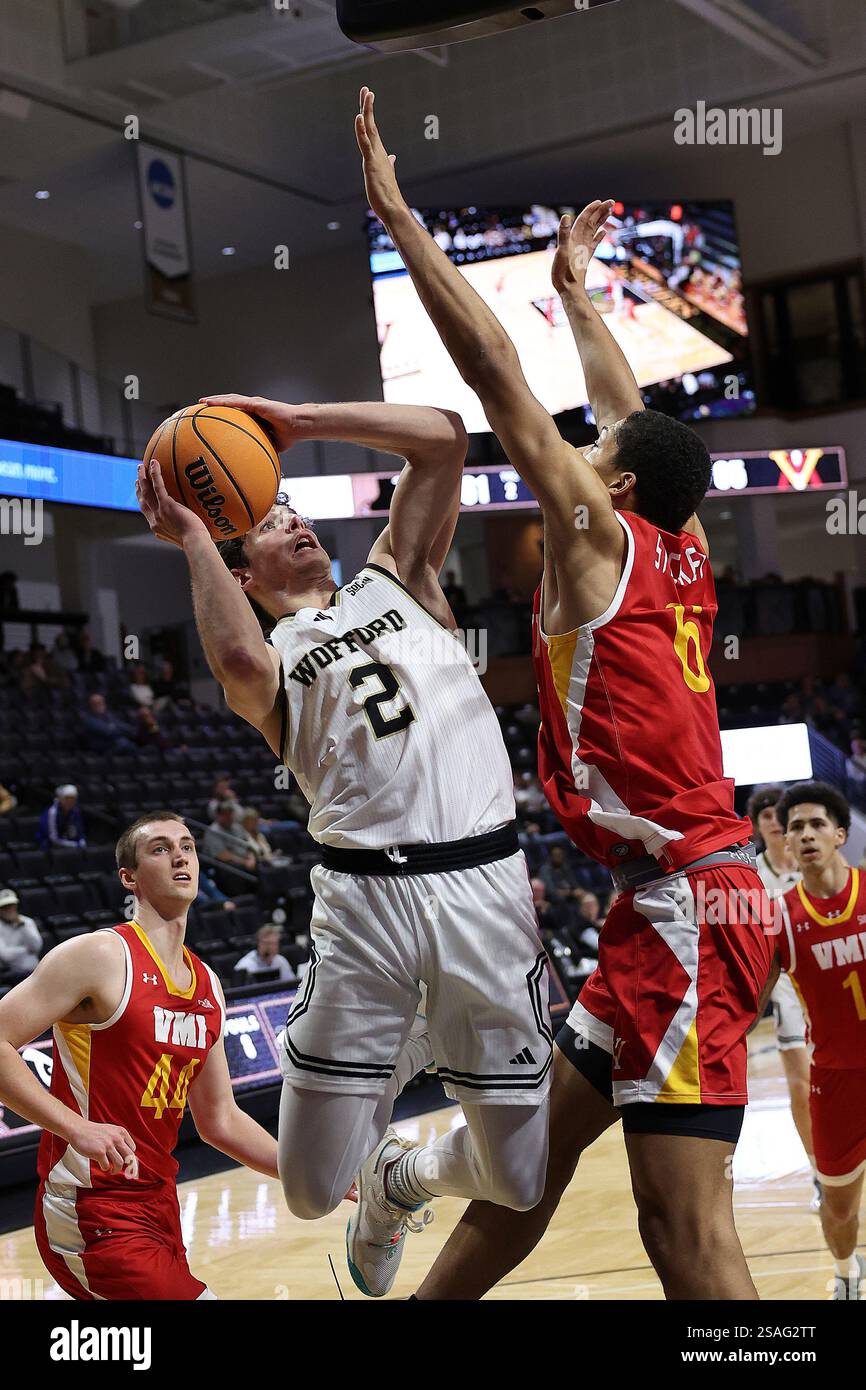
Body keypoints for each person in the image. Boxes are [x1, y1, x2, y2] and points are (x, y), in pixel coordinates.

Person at [355, 89, 774, 1300]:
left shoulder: (595, 532)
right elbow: (626, 410)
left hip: (693, 907)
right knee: (524, 1165)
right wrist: (580, 292)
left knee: (681, 1233)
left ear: (616, 488)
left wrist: (400, 221)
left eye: (590, 453)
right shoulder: (674, 535)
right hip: (668, 906)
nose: (573, 454)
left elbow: (494, 375)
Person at [136, 393, 552, 1302]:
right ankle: (383, 1132)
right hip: (368, 907)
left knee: (520, 1181)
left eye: (296, 510)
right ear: (242, 568)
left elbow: (446, 440)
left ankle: (403, 1178)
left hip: (484, 890)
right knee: (312, 1187)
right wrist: (196, 538)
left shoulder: (397, 576)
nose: (296, 521)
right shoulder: (273, 654)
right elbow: (238, 668)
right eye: (270, 520)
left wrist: (297, 421)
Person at [0, 813, 281, 1299]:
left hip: (159, 1203)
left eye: (188, 846)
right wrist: (77, 1127)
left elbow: (220, 1121)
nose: (180, 856)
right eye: (160, 848)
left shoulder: (208, 983)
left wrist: (307, 1175)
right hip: (92, 1205)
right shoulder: (99, 956)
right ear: (129, 878)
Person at [769, 782, 866, 1300]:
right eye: (795, 828)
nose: (805, 834)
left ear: (840, 834)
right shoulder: (780, 916)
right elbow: (747, 1002)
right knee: (838, 1205)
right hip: (836, 1081)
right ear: (786, 844)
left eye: (817, 824)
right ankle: (848, 1272)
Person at [747, 785, 814, 1197]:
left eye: (778, 814)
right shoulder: (750, 874)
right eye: (766, 815)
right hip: (786, 985)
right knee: (801, 1086)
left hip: (826, 975)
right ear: (757, 825)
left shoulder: (816, 863)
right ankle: (819, 1170)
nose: (773, 821)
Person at [203, 802, 258, 877]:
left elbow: (248, 846)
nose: (228, 817)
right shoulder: (213, 831)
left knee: (263, 867)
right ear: (218, 815)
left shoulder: (237, 827)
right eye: (225, 814)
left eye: (230, 813)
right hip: (226, 866)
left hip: (246, 861)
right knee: (235, 869)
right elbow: (222, 855)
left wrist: (252, 858)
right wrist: (244, 862)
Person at [0, 889, 42, 984]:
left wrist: (22, 926)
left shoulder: (27, 922)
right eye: (5, 907)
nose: (9, 910)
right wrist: (27, 950)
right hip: (11, 973)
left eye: (11, 906)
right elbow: (5, 956)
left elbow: (36, 947)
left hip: (34, 970)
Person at [38, 785, 86, 850]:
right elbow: (53, 838)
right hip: (50, 847)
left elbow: (80, 831)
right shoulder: (52, 812)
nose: (69, 802)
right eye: (67, 799)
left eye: (72, 799)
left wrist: (82, 841)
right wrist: (74, 845)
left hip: (70, 845)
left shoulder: (76, 811)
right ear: (61, 799)